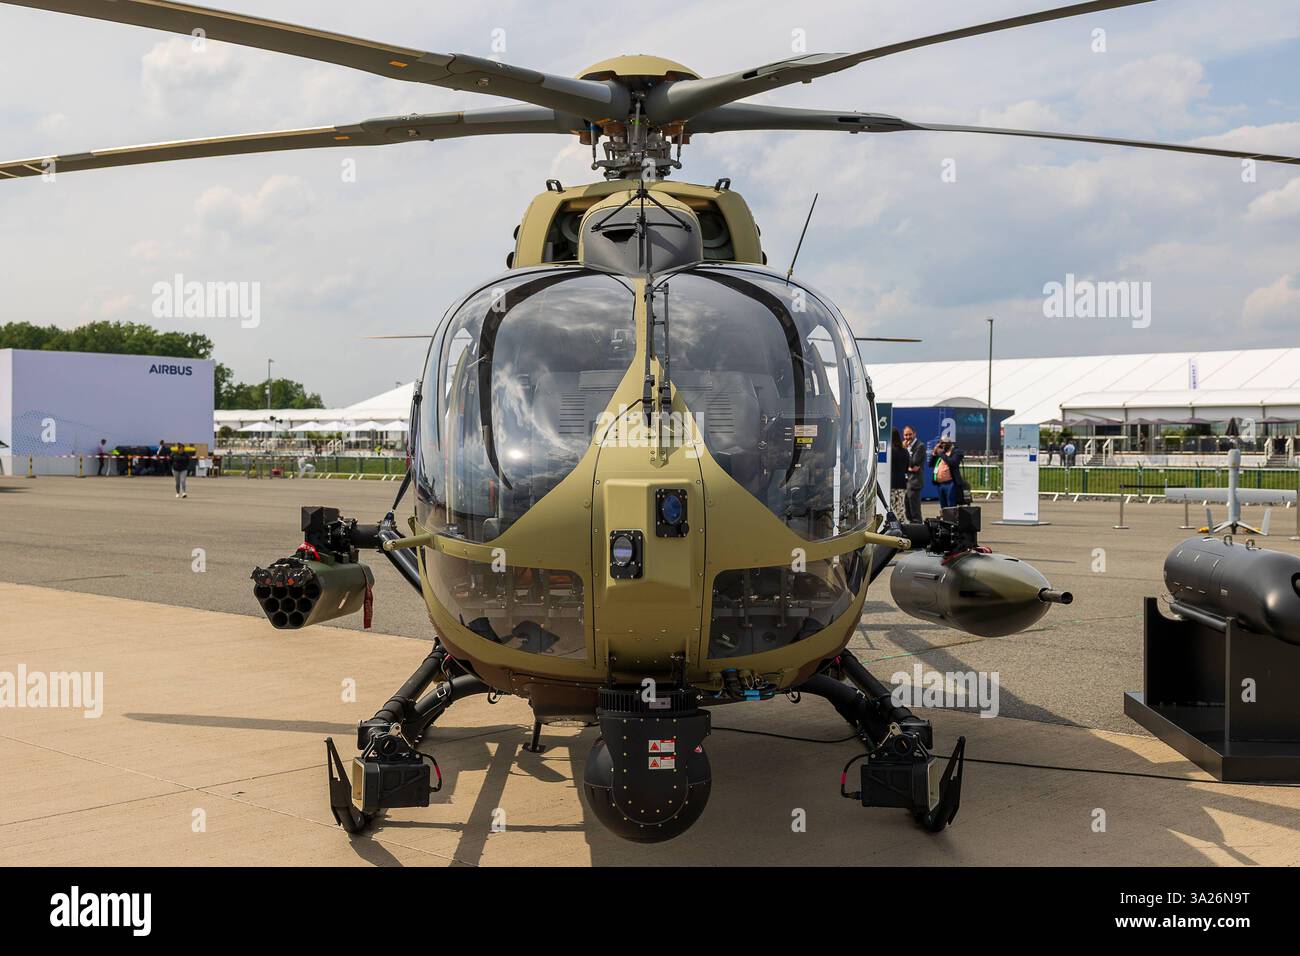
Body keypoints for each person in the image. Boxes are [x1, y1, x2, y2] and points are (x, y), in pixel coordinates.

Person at [930, 439, 966, 509]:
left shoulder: (956, 452)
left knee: (951, 505)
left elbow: (952, 463)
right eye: (940, 443)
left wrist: (941, 454)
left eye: (943, 443)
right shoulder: (941, 453)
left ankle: (952, 519)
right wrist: (934, 453)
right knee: (943, 506)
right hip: (940, 483)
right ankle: (945, 518)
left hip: (950, 483)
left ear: (949, 443)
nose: (942, 445)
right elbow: (931, 464)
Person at [901, 425, 926, 522]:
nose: (907, 437)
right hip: (906, 482)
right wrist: (908, 468)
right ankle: (912, 529)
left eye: (910, 434)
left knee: (915, 511)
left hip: (914, 482)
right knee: (907, 510)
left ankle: (918, 529)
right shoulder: (906, 446)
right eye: (905, 435)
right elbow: (905, 465)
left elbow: (914, 462)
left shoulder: (920, 446)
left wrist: (905, 451)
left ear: (914, 434)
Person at [889, 428, 908, 520]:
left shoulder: (889, 452)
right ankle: (902, 527)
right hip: (901, 482)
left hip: (890, 482)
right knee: (900, 507)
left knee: (891, 507)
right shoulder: (904, 451)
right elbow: (908, 466)